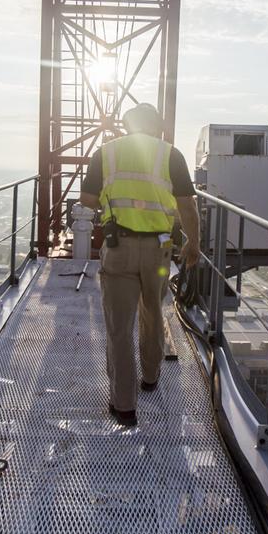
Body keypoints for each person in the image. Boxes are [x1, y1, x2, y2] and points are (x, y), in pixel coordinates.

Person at [79, 103, 200, 427]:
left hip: (119, 249)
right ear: (156, 126)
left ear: (126, 125)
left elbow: (87, 201)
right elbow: (187, 206)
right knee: (152, 312)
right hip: (159, 252)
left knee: (119, 328)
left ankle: (124, 406)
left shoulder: (106, 154)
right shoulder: (170, 155)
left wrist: (110, 197)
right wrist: (194, 242)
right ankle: (150, 376)